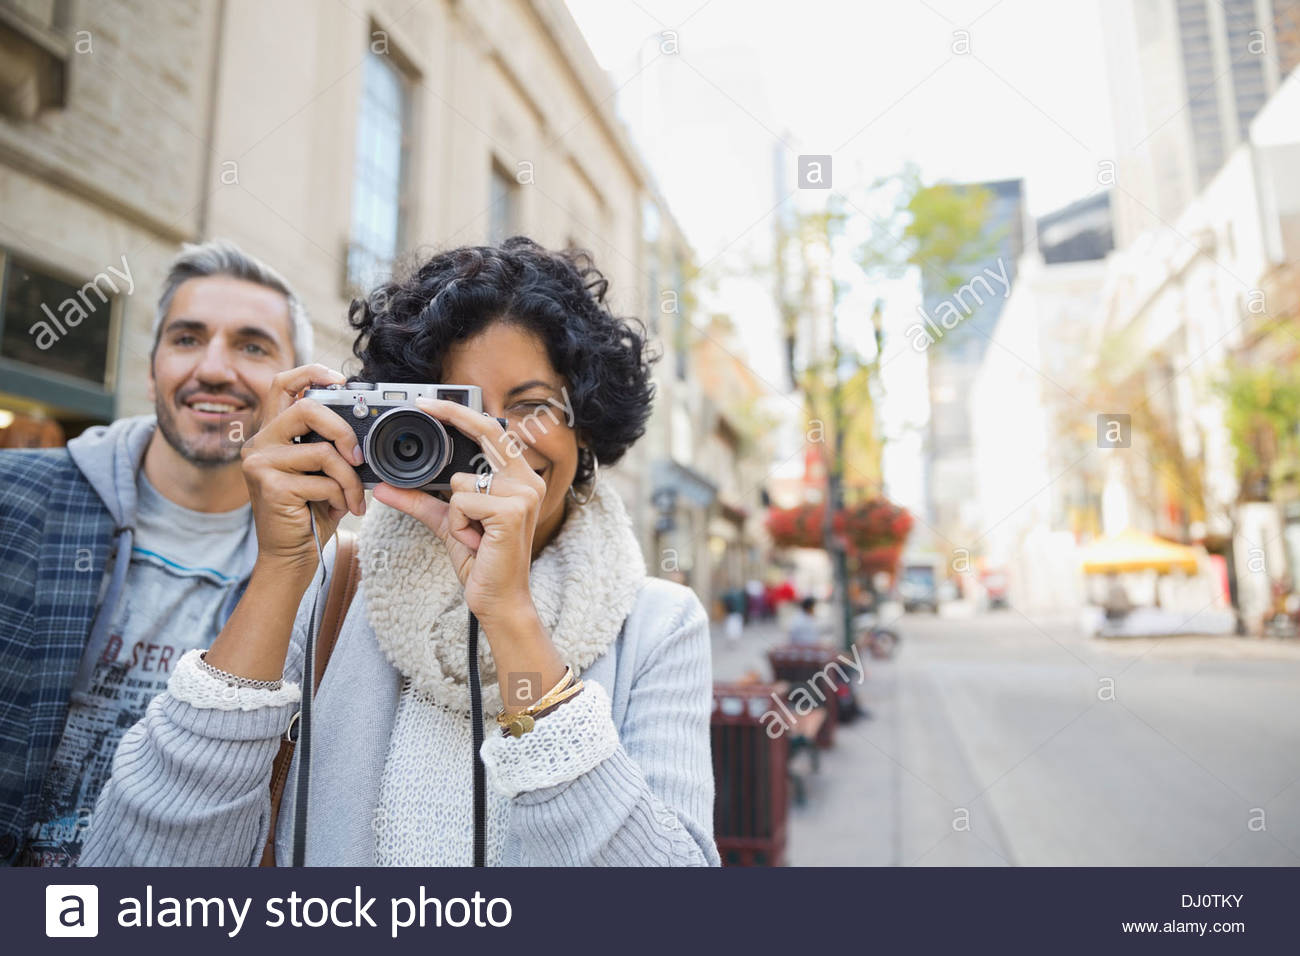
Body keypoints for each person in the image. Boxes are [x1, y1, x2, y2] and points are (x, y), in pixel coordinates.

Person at [83, 238, 719, 867]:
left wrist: (509, 615)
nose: (493, 438)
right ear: (396, 423)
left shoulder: (659, 626)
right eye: (453, 410)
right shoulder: (333, 582)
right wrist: (281, 569)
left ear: (587, 432)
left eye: (531, 406)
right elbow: (136, 869)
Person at [0, 240, 311, 866]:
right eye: (188, 338)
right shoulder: (15, 500)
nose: (216, 369)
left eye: (253, 346)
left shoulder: (324, 574)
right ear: (152, 370)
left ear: (297, 387)